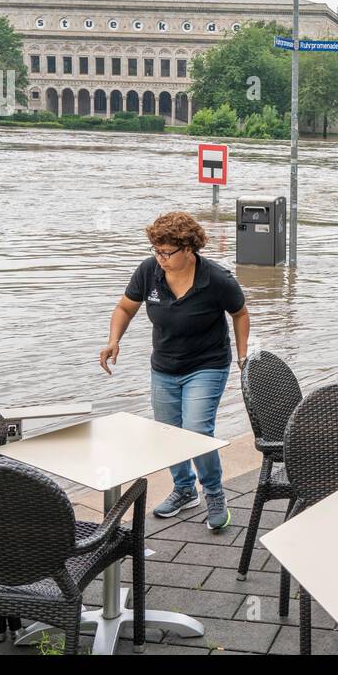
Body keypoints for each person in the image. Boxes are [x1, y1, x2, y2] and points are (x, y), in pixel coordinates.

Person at [100, 211, 250, 528]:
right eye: (157, 251)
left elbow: (240, 313)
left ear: (189, 249)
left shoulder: (216, 279)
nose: (161, 258)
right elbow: (125, 307)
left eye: (167, 252)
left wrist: (242, 356)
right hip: (164, 366)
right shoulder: (148, 271)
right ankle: (184, 489)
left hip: (207, 364)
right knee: (168, 435)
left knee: (196, 433)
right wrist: (114, 340)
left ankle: (214, 495)